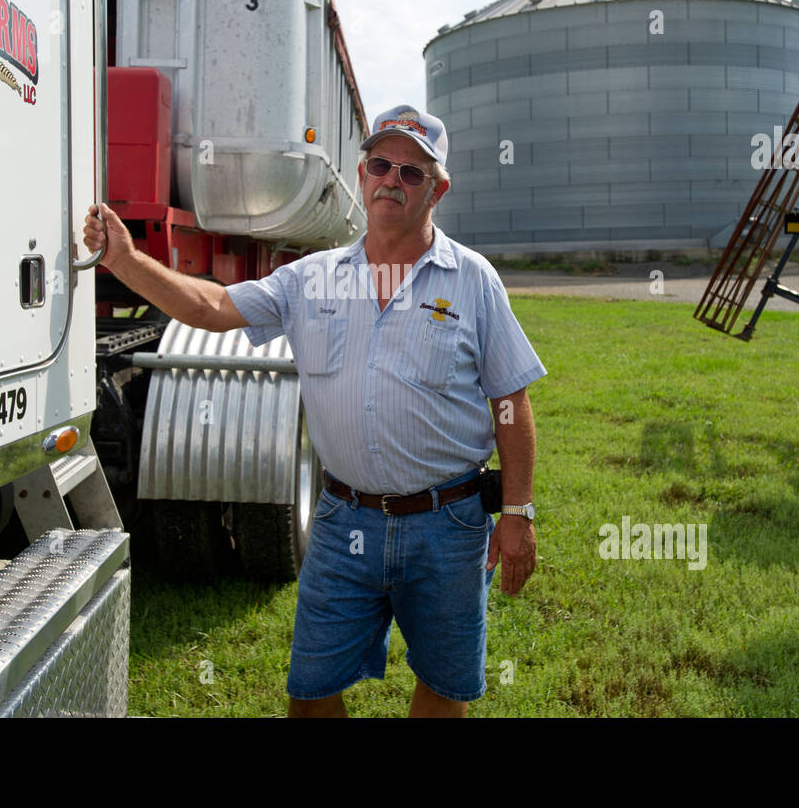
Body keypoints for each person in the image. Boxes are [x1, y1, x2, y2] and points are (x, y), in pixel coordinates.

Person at [83, 104, 545, 718]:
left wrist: (517, 512)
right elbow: (213, 307)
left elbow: (510, 400)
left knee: (443, 684)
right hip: (344, 521)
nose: (392, 180)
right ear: (361, 174)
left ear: (439, 189)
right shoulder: (313, 279)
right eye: (381, 164)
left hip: (449, 524)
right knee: (312, 688)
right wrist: (126, 261)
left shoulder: (473, 281)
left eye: (412, 172)